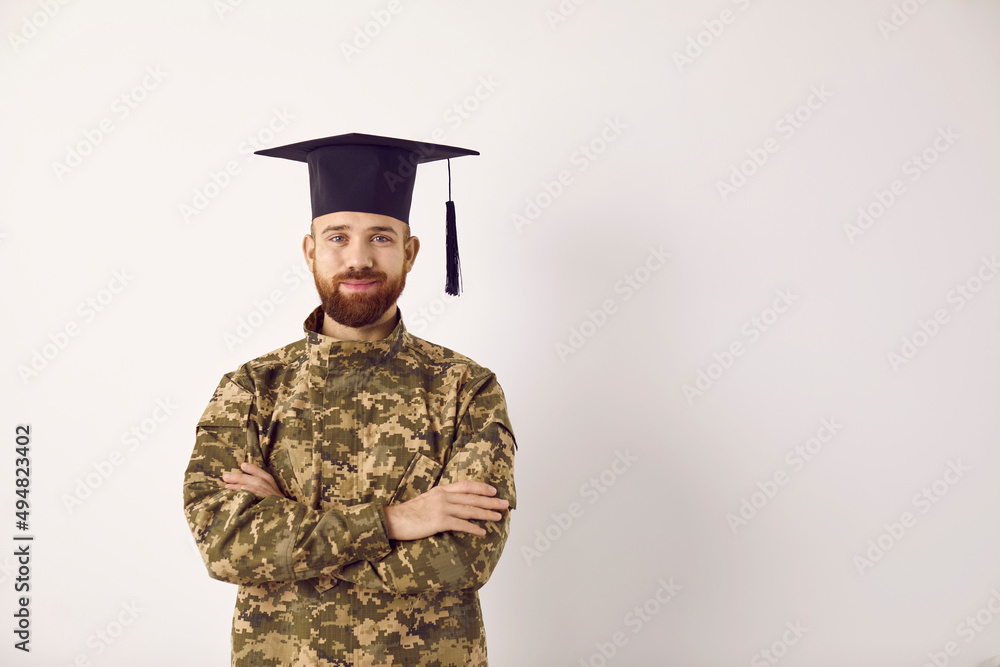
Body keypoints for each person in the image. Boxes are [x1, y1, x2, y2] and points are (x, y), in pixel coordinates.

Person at [182, 133, 517, 666]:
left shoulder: (466, 388)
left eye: (381, 238)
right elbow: (227, 545)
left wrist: (290, 527)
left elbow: (462, 558)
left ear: (410, 252)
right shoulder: (251, 388)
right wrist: (395, 522)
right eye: (337, 237)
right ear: (311, 250)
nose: (358, 258)